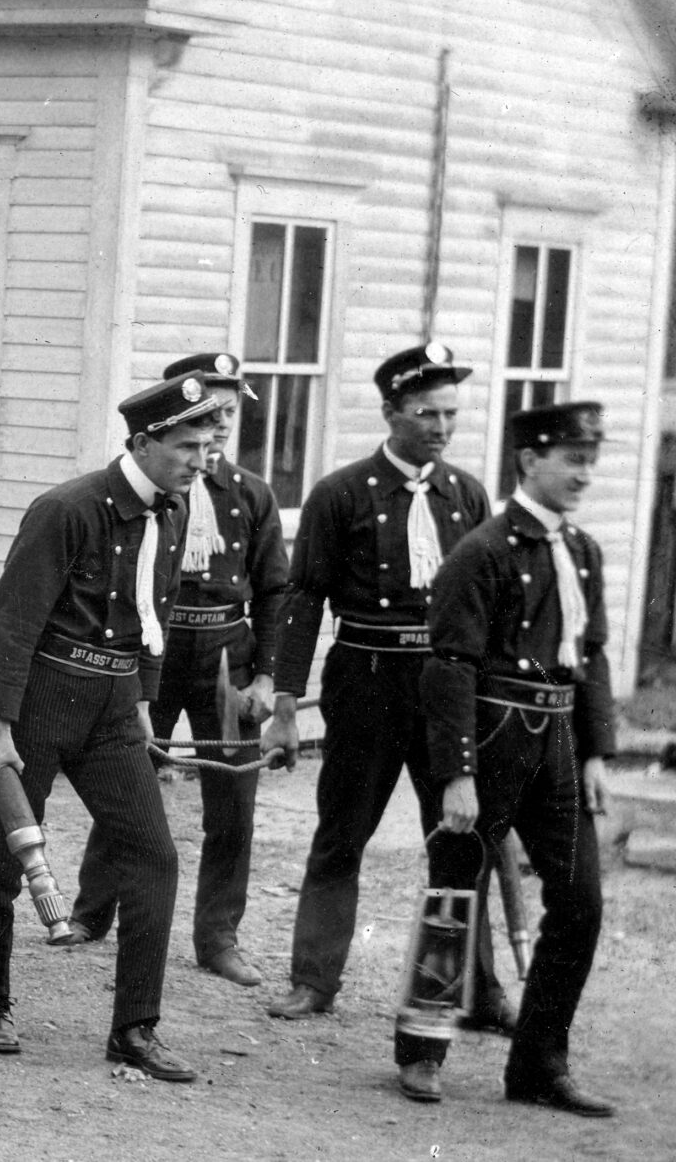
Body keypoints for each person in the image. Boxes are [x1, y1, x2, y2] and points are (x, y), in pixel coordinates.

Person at [0, 372, 217, 1081]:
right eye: (186, 446)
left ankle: (135, 1027)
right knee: (4, 853)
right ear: (141, 441)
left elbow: (153, 609)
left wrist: (143, 699)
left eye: (206, 446)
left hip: (113, 702)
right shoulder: (67, 508)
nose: (200, 460)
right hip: (42, 696)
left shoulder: (175, 508)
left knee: (154, 855)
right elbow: (12, 620)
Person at [265, 344, 507, 1027]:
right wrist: (286, 702)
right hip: (366, 683)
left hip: (445, 691)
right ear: (390, 412)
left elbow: (486, 607)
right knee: (342, 834)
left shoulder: (467, 495)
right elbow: (304, 599)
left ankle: (477, 990)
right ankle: (314, 980)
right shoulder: (340, 493)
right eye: (426, 413)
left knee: (461, 840)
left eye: (450, 414)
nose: (441, 427)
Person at [394, 401, 617, 1116]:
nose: (585, 474)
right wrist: (456, 774)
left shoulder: (582, 550)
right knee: (457, 894)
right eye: (571, 460)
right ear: (529, 461)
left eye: (591, 459)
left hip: (558, 746)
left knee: (581, 904)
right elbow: (449, 666)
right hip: (491, 745)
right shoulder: (482, 553)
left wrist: (597, 753)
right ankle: (423, 1052)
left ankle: (539, 1067)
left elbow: (591, 658)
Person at [73, 352, 289, 987]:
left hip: (227, 657)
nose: (220, 425)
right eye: (210, 411)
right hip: (157, 655)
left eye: (230, 412)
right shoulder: (158, 492)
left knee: (233, 805)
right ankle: (92, 912)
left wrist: (267, 680)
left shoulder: (250, 494)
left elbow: (277, 592)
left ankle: (218, 936)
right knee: (127, 777)